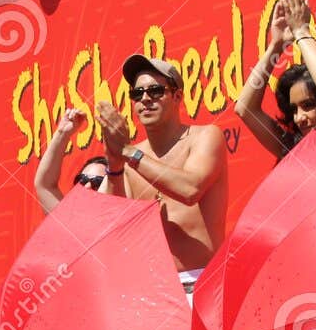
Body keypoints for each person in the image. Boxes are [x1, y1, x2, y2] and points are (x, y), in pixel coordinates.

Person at [97, 56, 230, 290]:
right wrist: (115, 165)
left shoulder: (205, 136)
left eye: (156, 91)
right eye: (137, 94)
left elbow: (190, 190)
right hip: (154, 292)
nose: (145, 99)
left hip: (204, 281)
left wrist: (127, 151)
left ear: (177, 96)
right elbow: (114, 229)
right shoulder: (129, 159)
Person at [235, 0, 316, 161]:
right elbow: (244, 109)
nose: (299, 118)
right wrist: (276, 46)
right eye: (294, 109)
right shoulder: (294, 150)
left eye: (308, 105)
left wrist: (301, 31)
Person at [34, 107, 110, 213]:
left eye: (97, 183)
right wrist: (62, 133)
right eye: (82, 181)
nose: (87, 187)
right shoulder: (70, 222)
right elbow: (45, 185)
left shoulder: (127, 224)